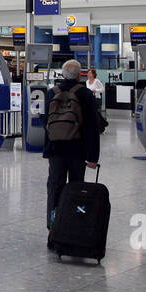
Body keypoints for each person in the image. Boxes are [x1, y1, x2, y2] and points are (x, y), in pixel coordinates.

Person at [41, 60, 104, 247]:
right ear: (79, 75)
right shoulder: (84, 94)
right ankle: (73, 230)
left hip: (56, 149)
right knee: (76, 190)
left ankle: (53, 229)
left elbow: (46, 121)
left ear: (62, 74)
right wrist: (92, 157)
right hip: (77, 150)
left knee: (55, 188)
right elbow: (92, 127)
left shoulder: (52, 93)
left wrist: (48, 148)